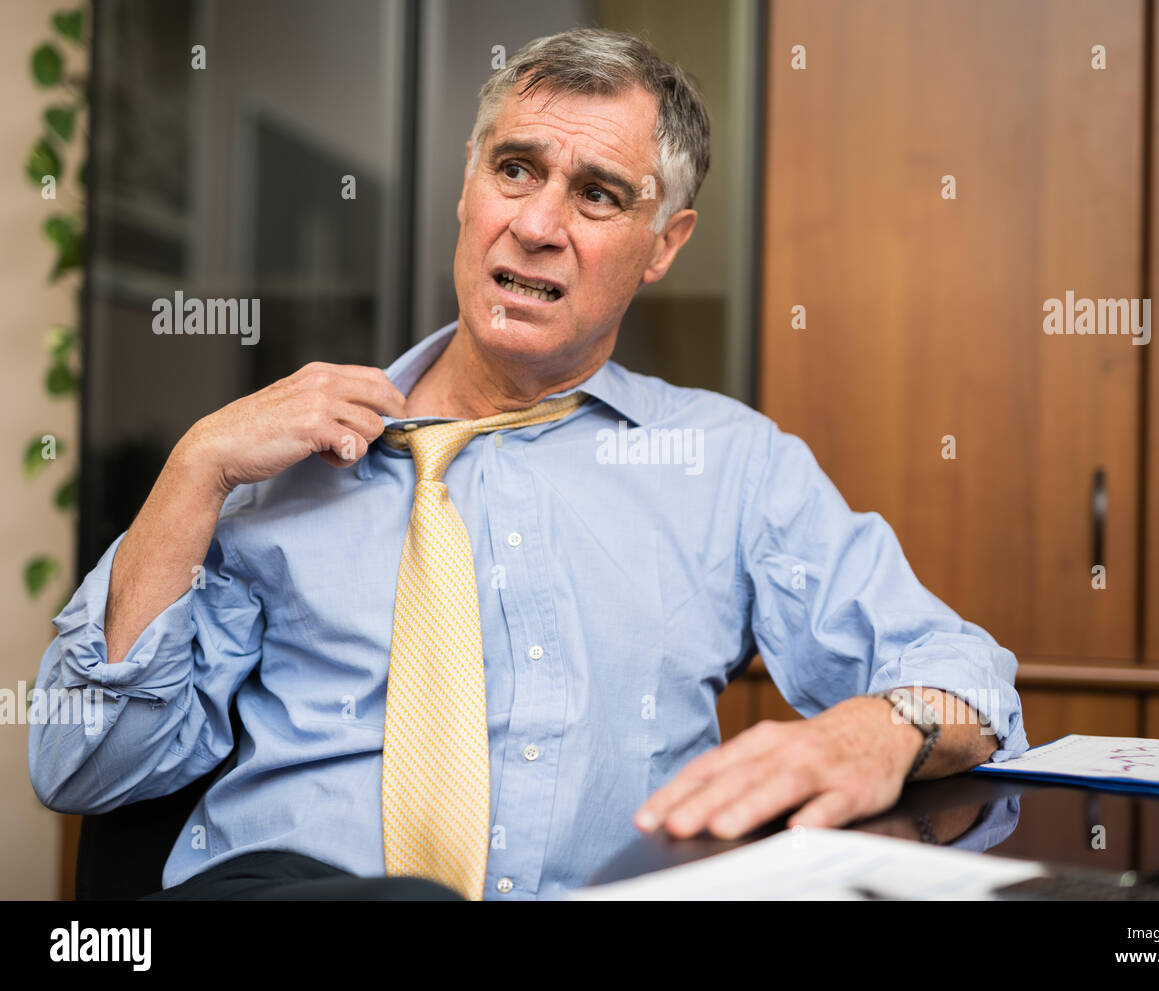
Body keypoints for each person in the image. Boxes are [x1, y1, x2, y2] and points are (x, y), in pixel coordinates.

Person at [29, 27, 1028, 901]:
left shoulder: (728, 466)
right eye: (515, 170)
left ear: (662, 244)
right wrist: (195, 467)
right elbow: (83, 763)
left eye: (597, 195)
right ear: (468, 184)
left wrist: (879, 726)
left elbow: (968, 679)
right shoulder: (275, 454)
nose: (539, 225)